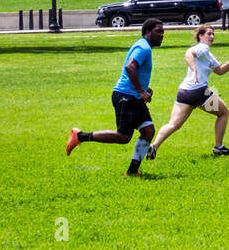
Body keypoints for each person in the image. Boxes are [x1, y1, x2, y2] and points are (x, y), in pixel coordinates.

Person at [65, 19, 164, 175]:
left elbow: (133, 71)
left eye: (163, 32)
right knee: (123, 136)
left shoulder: (144, 47)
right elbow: (130, 67)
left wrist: (145, 89)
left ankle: (132, 171)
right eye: (158, 31)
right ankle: (80, 136)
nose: (162, 35)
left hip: (132, 96)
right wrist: (141, 91)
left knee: (148, 131)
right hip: (126, 96)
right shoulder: (143, 47)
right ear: (148, 32)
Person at [149, 25, 229, 157]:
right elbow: (189, 54)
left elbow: (220, 71)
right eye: (208, 34)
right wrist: (194, 69)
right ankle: (219, 147)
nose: (211, 36)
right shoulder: (202, 48)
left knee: (173, 124)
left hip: (184, 92)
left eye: (213, 34)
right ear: (200, 36)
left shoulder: (208, 54)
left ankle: (154, 146)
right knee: (223, 113)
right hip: (199, 92)